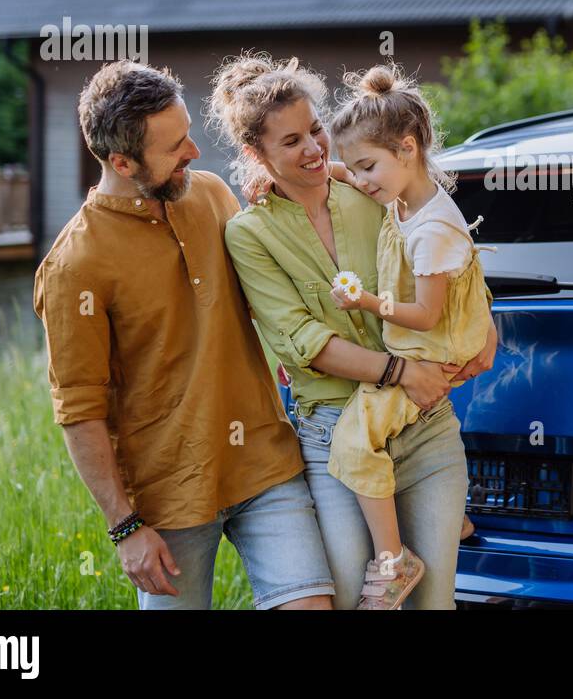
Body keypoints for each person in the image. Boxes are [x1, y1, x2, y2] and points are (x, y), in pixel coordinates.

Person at [33, 60, 331, 610]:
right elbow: (79, 409)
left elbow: (274, 289)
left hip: (264, 463)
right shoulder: (74, 266)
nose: (193, 151)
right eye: (174, 147)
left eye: (188, 132)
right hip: (168, 495)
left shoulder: (213, 195)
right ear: (122, 162)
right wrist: (125, 528)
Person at [212, 52, 497, 610]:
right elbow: (305, 343)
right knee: (353, 599)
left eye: (315, 130)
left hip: (425, 424)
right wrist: (402, 370)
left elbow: (446, 254)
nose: (314, 149)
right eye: (290, 142)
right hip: (336, 435)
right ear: (255, 155)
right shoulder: (250, 234)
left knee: (432, 602)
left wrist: (488, 325)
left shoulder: (369, 189)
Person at [323, 64, 493, 608]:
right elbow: (352, 174)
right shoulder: (403, 196)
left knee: (352, 443)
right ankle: (452, 516)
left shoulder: (433, 229)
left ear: (408, 148)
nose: (362, 180)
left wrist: (365, 301)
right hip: (425, 345)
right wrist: (318, 168)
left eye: (369, 166)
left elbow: (423, 313)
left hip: (427, 347)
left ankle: (393, 561)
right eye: (355, 169)